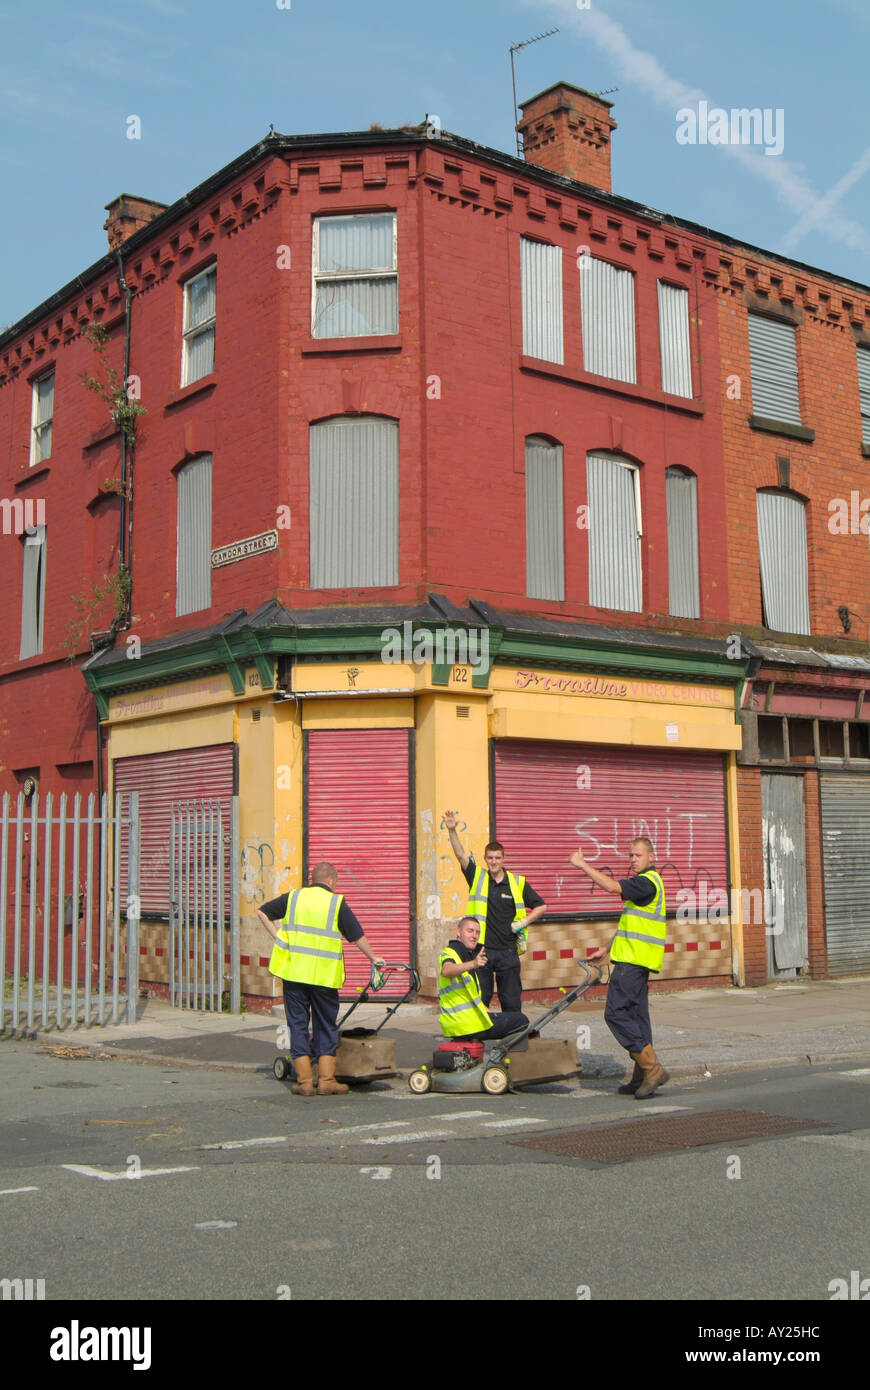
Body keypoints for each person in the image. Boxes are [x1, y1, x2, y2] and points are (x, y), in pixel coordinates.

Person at [257, 862, 385, 1097]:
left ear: (313, 879)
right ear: (331, 881)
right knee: (325, 1024)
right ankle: (326, 1080)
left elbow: (262, 912)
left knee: (297, 1024)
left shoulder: (294, 898)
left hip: (294, 973)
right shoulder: (336, 903)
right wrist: (373, 958)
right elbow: (357, 936)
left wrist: (278, 938)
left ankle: (304, 1081)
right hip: (324, 977)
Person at [570, 836, 669, 1099]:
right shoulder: (647, 884)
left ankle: (652, 1067)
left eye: (638, 855)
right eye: (631, 855)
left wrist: (583, 865)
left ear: (651, 856)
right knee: (637, 1017)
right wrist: (606, 949)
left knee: (615, 1014)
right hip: (636, 960)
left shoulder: (645, 882)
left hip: (632, 962)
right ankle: (641, 1075)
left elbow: (612, 887)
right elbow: (629, 923)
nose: (633, 860)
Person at [444, 810, 546, 1014]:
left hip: (508, 951)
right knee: (480, 1001)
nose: (493, 861)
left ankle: (513, 1040)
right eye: (490, 858)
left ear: (503, 858)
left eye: (497, 858)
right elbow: (461, 855)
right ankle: (479, 1040)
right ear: (485, 858)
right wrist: (452, 830)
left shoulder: (517, 883)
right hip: (482, 950)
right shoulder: (478, 877)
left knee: (511, 1002)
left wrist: (524, 922)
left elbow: (541, 906)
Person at [439, 917, 529, 1041]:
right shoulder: (451, 951)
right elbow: (446, 970)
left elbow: (472, 998)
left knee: (509, 1017)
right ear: (458, 932)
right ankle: (506, 1057)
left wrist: (490, 1012)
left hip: (464, 1023)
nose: (474, 936)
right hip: (467, 1025)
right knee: (522, 1020)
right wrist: (474, 964)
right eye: (470, 931)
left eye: (477, 932)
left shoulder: (468, 956)